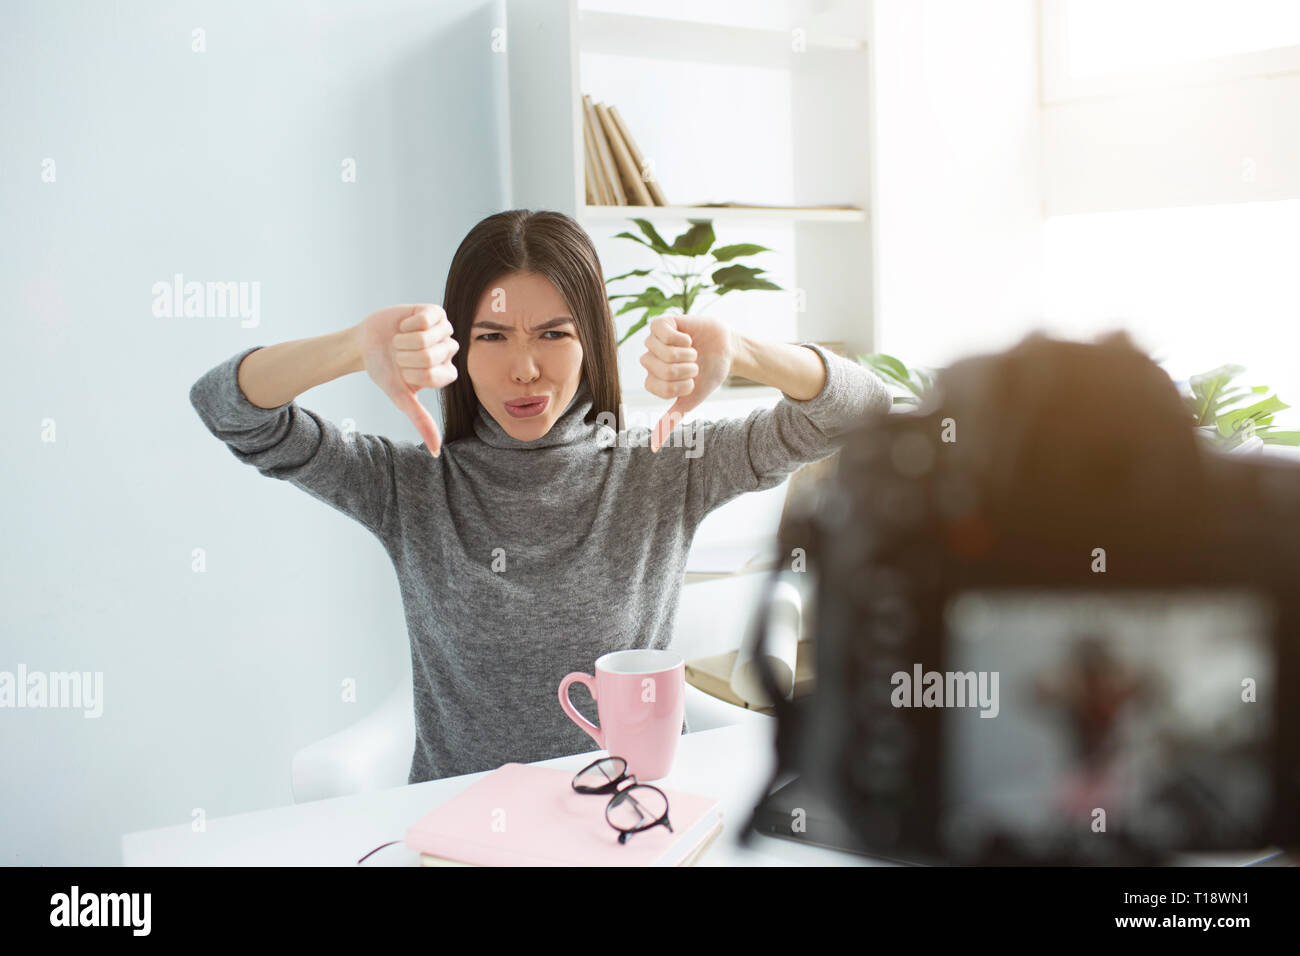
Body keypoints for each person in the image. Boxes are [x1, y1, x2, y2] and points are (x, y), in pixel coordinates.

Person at [189, 209, 890, 784]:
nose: (524, 368)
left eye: (553, 334)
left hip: (628, 821)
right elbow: (226, 408)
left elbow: (860, 408)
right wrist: (352, 345)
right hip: (463, 836)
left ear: (591, 342)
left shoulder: (661, 468)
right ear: (457, 349)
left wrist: (744, 353)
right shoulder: (410, 484)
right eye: (492, 336)